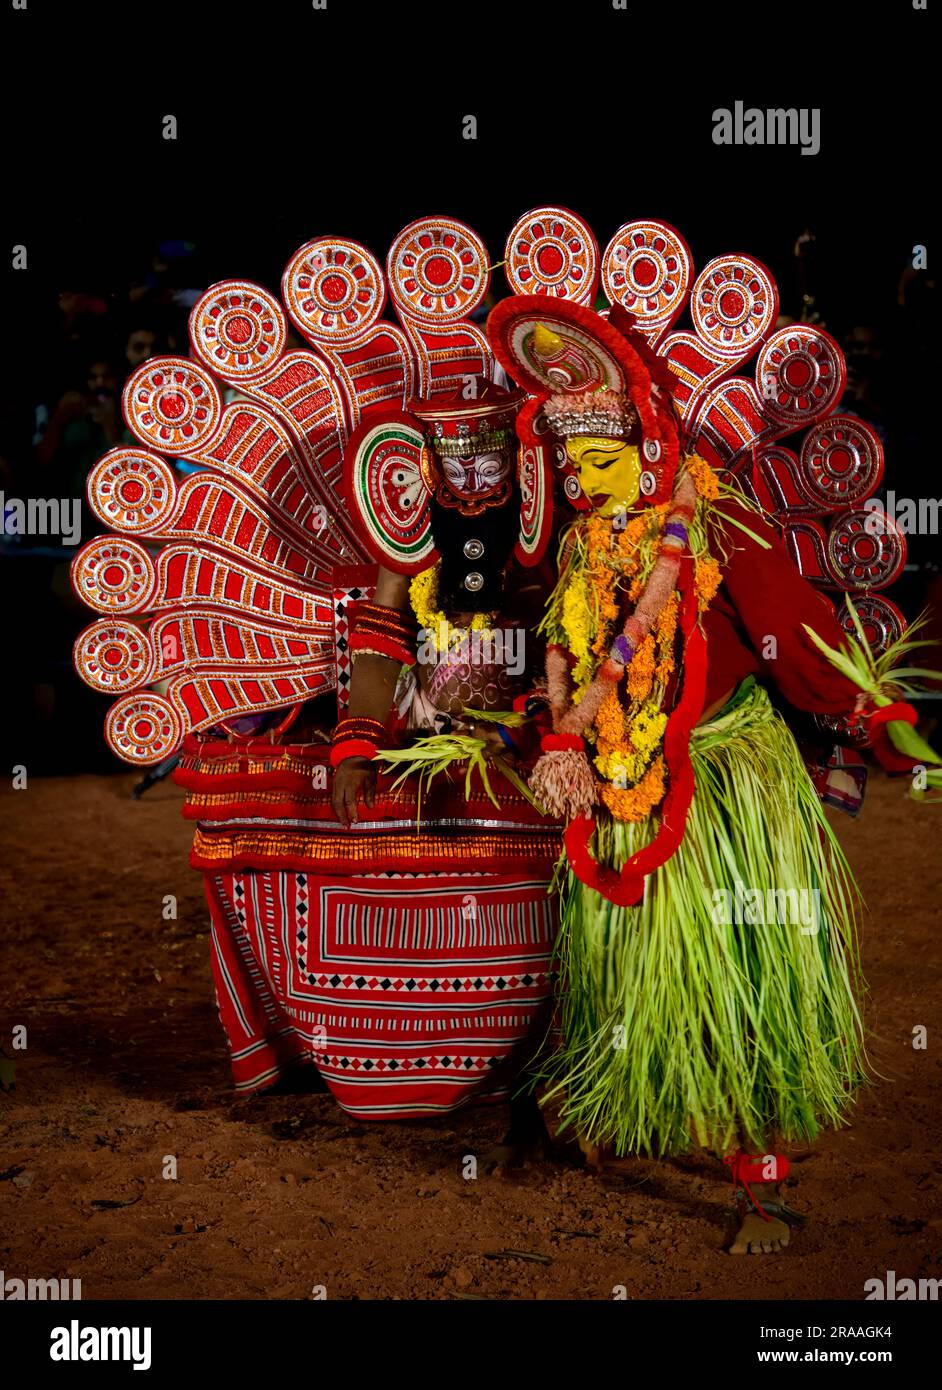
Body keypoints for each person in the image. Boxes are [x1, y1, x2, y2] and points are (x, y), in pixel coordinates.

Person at [486, 294, 934, 1252]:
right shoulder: (584, 548)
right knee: (620, 972)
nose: (581, 478)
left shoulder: (717, 525)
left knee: (744, 974)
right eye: (569, 464)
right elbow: (568, 659)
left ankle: (761, 1182)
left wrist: (869, 711)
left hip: (724, 790)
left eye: (599, 460)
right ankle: (613, 1108)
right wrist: (541, 725)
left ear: (648, 447)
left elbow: (796, 633)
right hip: (618, 785)